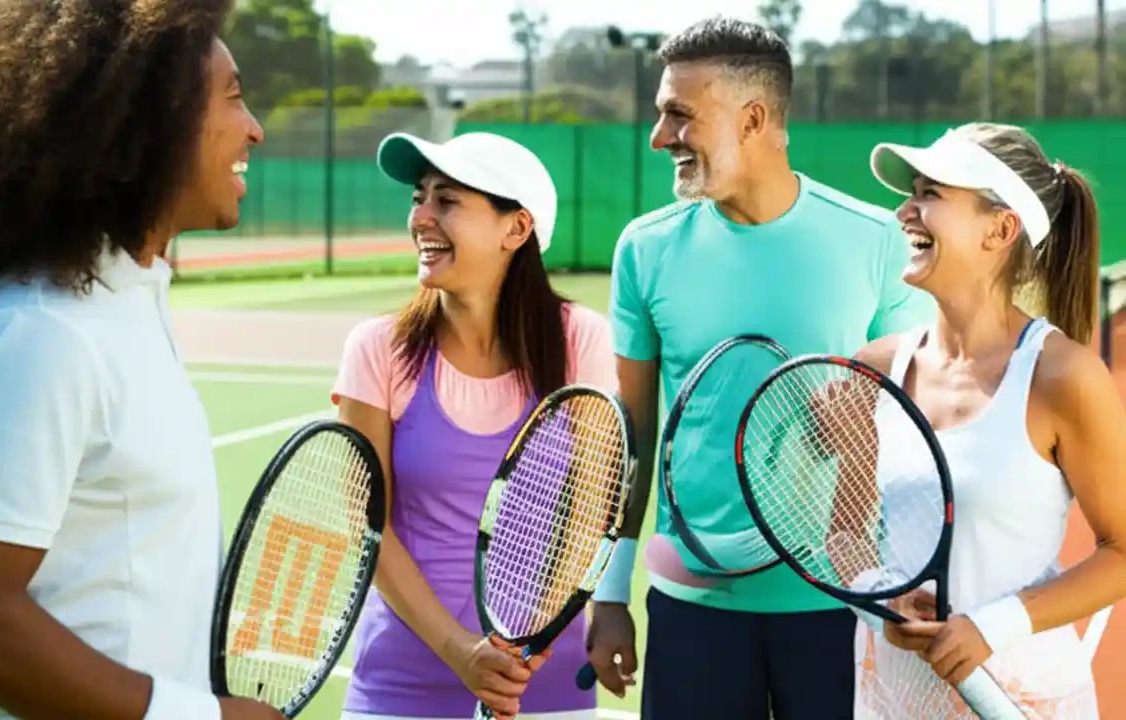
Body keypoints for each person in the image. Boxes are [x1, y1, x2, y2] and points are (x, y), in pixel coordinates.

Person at [0, 1, 274, 718]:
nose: (255, 128)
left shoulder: (128, 299)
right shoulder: (43, 330)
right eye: (233, 97)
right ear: (147, 123)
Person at [585, 16, 937, 720]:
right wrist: (610, 589)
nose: (660, 137)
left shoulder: (876, 242)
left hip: (842, 606)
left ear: (752, 119)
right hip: (693, 613)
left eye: (679, 116)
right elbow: (632, 433)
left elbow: (906, 429)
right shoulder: (643, 249)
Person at [332, 131, 618, 720]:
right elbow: (367, 527)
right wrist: (461, 653)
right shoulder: (375, 348)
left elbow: (588, 513)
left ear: (516, 230)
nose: (422, 218)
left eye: (447, 201)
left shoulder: (580, 341)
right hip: (398, 687)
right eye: (419, 197)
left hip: (544, 686)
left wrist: (516, 654)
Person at [848, 122, 1126, 718]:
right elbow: (842, 537)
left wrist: (987, 627)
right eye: (912, 192)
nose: (905, 212)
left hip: (1025, 693)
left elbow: (1123, 550)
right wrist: (881, 598)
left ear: (1001, 230)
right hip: (892, 692)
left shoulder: (1065, 376)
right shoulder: (875, 366)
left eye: (930, 194)